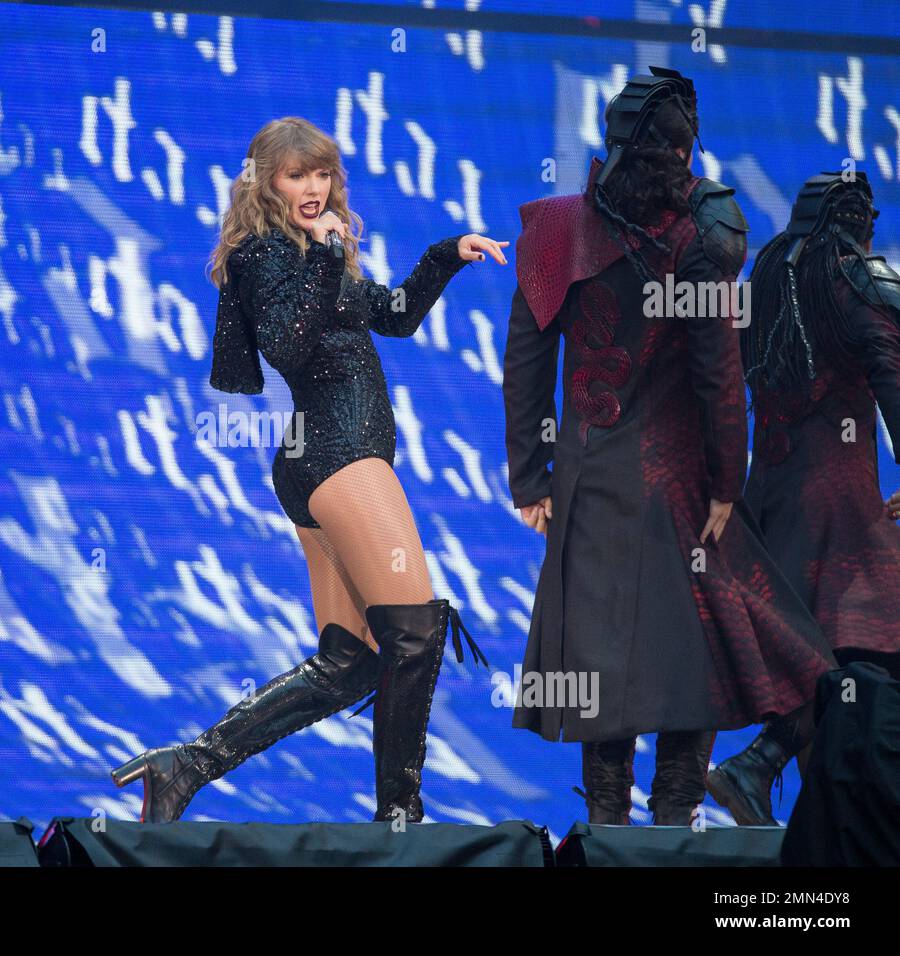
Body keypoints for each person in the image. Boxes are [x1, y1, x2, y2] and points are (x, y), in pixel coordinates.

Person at [111, 116, 502, 823]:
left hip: (319, 463)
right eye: (298, 175)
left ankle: (185, 767)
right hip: (338, 455)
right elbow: (290, 348)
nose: (315, 187)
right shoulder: (265, 256)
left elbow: (397, 314)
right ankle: (400, 818)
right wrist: (325, 256)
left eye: (323, 174)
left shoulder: (315, 252)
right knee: (414, 634)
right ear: (268, 183)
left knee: (350, 661)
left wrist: (448, 254)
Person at [502, 69, 836, 826]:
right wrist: (727, 484)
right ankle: (677, 818)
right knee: (698, 647)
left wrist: (531, 476)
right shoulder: (703, 233)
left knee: (599, 660)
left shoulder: (556, 229)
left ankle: (611, 831)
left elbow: (525, 362)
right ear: (684, 150)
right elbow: (720, 375)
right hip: (683, 481)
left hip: (589, 484)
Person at [707, 171, 900, 825]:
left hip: (774, 495)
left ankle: (777, 783)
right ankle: (760, 767)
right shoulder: (857, 283)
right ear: (856, 219)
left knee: (827, 654)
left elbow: (725, 383)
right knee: (868, 653)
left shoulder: (765, 281)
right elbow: (889, 374)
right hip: (842, 502)